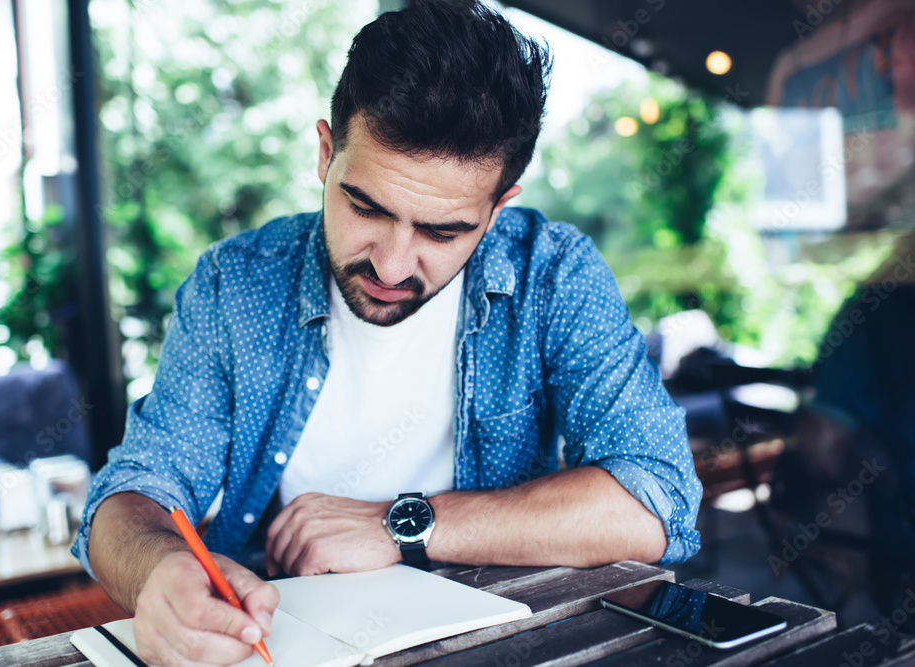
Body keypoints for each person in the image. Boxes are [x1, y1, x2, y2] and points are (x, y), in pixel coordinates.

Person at [72, 1, 702, 664]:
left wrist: (400, 523)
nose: (391, 264)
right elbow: (134, 493)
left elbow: (656, 502)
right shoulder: (236, 285)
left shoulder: (554, 276)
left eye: (443, 230)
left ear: (498, 208)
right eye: (366, 207)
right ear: (325, 154)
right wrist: (157, 571)